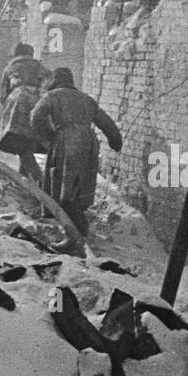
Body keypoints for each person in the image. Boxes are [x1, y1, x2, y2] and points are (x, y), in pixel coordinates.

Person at [30, 66, 122, 248]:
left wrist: (49, 136)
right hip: (88, 143)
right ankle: (75, 233)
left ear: (54, 80)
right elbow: (105, 122)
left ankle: (76, 236)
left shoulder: (52, 96)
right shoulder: (86, 99)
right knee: (79, 188)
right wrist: (115, 140)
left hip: (67, 142)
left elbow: (35, 117)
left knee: (65, 190)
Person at [0, 41, 49, 184]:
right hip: (39, 106)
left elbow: (2, 95)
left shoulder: (10, 68)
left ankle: (40, 181)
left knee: (21, 144)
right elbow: (49, 86)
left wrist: (7, 108)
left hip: (17, 106)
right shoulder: (41, 67)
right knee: (26, 143)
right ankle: (23, 180)